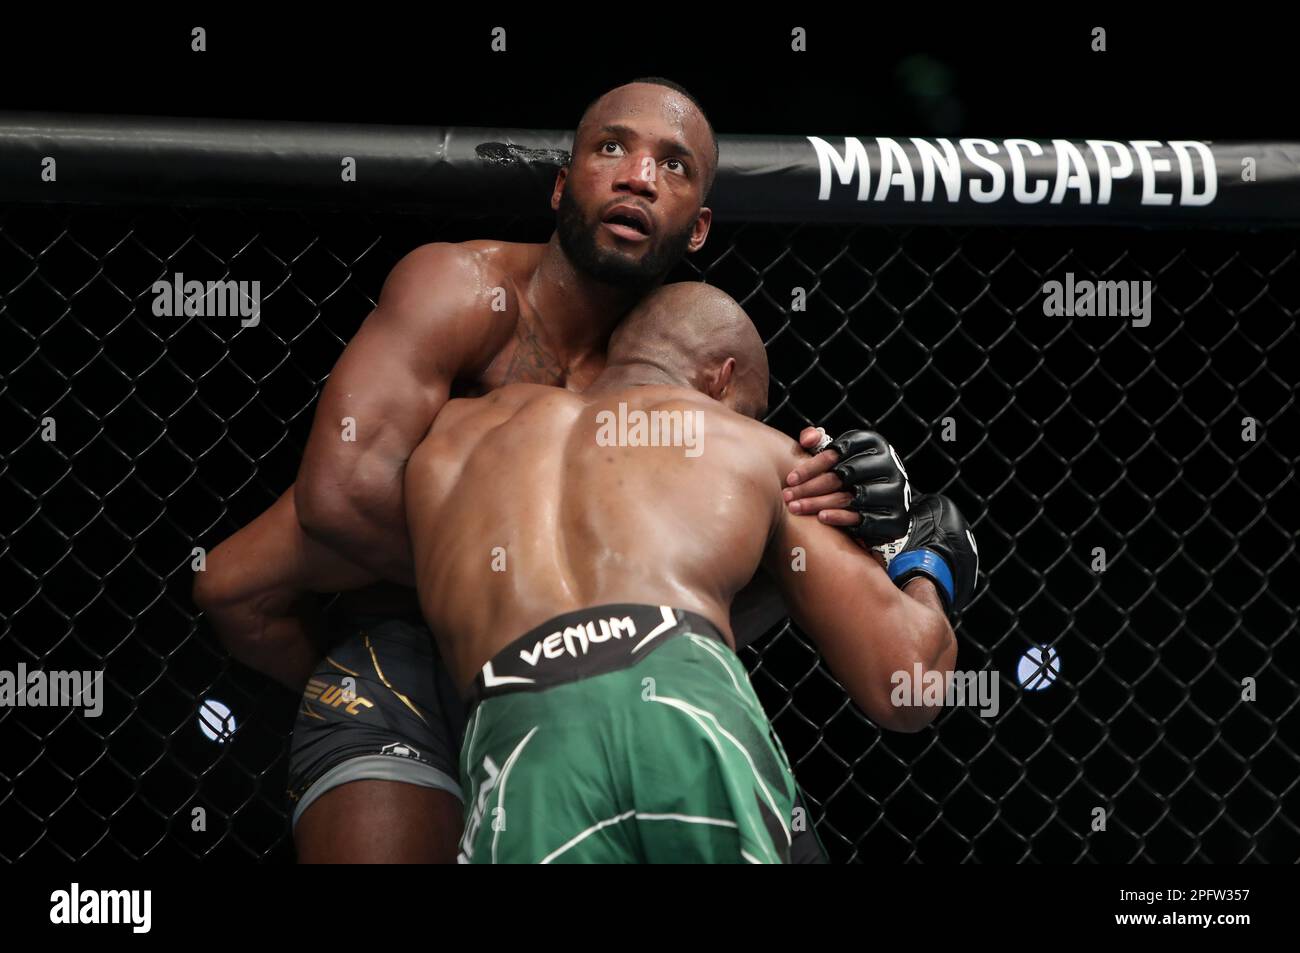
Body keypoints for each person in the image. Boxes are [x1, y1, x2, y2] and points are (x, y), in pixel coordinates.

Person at [193, 78, 889, 862]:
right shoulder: (467, 292)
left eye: (674, 165)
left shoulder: (688, 356)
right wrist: (508, 584)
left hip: (612, 680)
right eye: (613, 148)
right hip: (407, 660)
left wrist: (858, 503)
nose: (638, 176)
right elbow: (337, 494)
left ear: (697, 229)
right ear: (564, 183)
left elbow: (722, 567)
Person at [401, 281, 977, 863]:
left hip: (519, 732)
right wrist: (927, 564)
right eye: (752, 406)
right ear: (720, 379)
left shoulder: (448, 439)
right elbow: (909, 685)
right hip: (686, 706)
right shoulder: (750, 445)